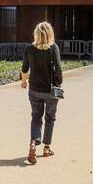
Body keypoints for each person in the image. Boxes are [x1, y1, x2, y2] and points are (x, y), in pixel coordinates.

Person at [21, 21, 63, 165]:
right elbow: (58, 68)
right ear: (50, 33)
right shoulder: (53, 48)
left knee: (36, 118)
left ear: (36, 34)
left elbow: (25, 68)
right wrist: (59, 82)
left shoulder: (29, 49)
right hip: (51, 90)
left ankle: (33, 143)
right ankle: (46, 148)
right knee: (50, 118)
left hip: (34, 90)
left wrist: (24, 81)